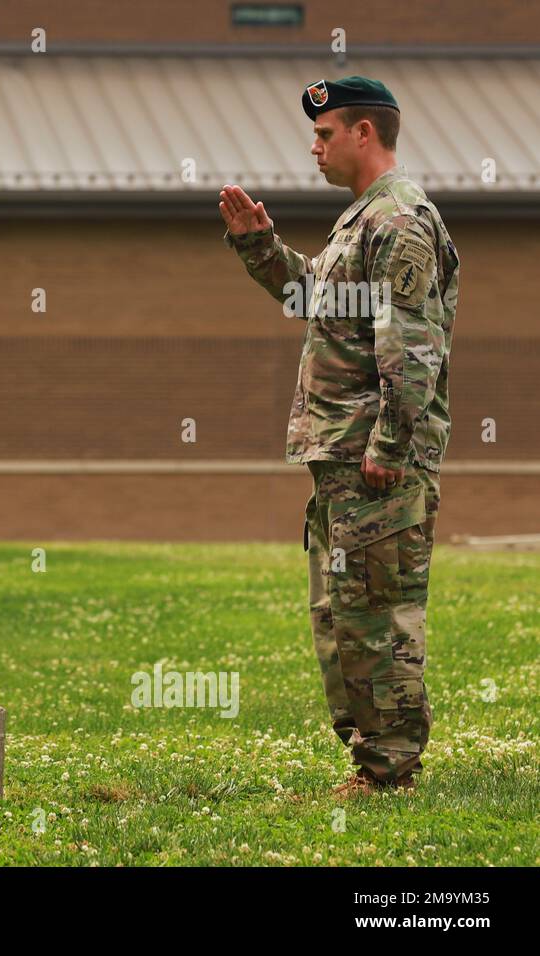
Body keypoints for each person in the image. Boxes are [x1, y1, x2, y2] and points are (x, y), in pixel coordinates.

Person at [220, 76, 458, 797]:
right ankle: (370, 761)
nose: (314, 147)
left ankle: (389, 772)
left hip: (374, 464)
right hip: (341, 463)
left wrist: (388, 449)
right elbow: (314, 302)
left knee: (376, 617)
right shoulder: (360, 222)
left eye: (325, 134)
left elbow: (412, 349)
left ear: (364, 133)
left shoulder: (400, 223)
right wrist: (260, 247)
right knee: (341, 615)